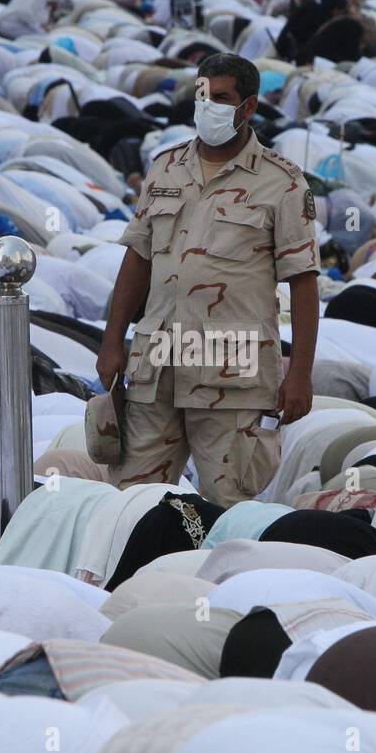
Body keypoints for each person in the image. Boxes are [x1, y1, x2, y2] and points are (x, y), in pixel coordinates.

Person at [97, 53, 321, 507]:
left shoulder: (283, 182)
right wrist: (112, 340)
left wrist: (299, 374)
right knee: (128, 502)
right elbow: (137, 260)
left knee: (227, 504)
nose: (208, 106)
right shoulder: (165, 168)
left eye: (221, 98)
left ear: (249, 107)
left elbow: (303, 282)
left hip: (232, 370)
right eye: (203, 95)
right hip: (155, 360)